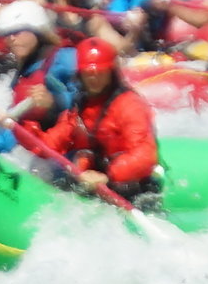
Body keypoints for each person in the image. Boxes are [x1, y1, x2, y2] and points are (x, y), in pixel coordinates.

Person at [34, 38, 159, 207]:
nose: (94, 78)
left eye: (100, 72)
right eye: (88, 73)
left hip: (130, 184)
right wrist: (22, 127)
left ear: (111, 72)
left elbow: (145, 155)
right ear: (80, 74)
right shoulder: (82, 106)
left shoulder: (129, 105)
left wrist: (108, 176)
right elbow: (50, 144)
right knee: (62, 178)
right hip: (95, 179)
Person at [0, 0, 72, 154]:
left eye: (16, 32)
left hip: (62, 148)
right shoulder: (26, 68)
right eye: (7, 35)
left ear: (36, 30)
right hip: (32, 146)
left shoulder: (65, 58)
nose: (11, 39)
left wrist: (55, 102)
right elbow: (15, 129)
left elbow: (91, 99)